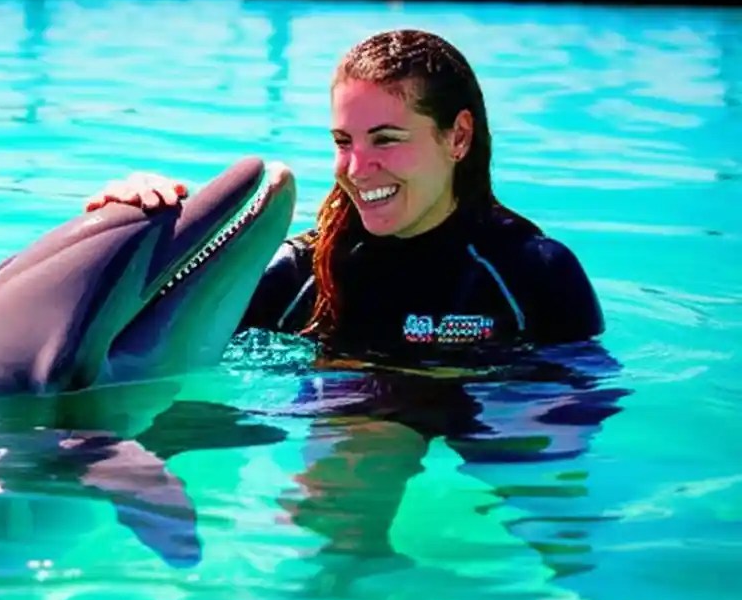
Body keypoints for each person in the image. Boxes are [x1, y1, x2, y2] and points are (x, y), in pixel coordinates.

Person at [85, 28, 605, 365]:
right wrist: (127, 228)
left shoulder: (535, 278)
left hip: (491, 416)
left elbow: (574, 424)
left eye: (386, 139)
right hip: (344, 419)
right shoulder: (303, 275)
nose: (356, 168)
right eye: (343, 142)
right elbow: (127, 351)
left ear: (459, 137)